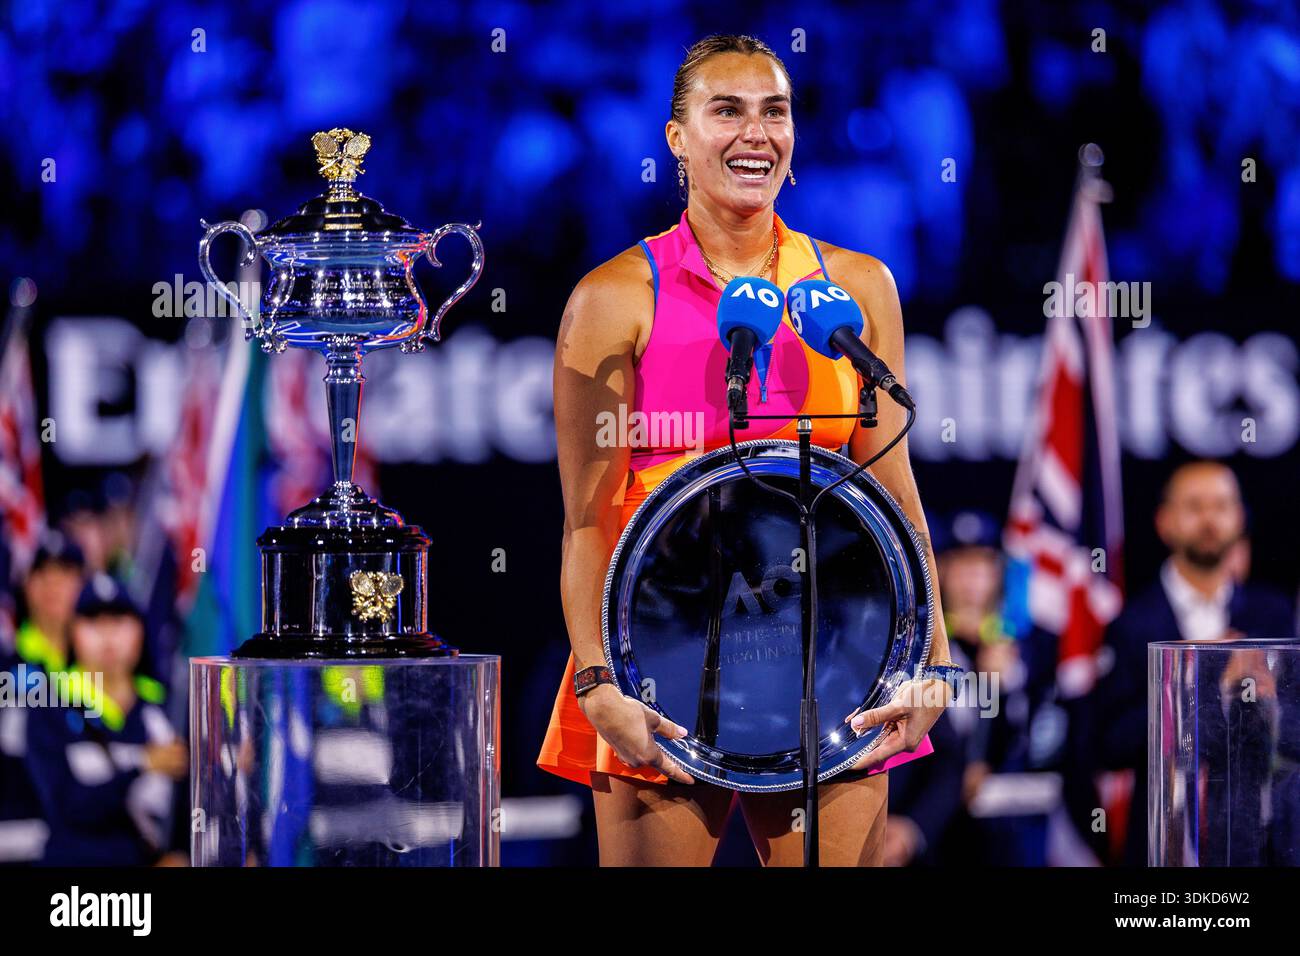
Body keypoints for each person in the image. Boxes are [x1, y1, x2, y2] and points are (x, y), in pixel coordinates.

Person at [537, 34, 955, 866]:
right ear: (677, 139)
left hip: (835, 656)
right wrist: (596, 684)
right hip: (658, 659)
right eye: (725, 110)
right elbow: (586, 524)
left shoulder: (856, 289)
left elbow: (897, 498)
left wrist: (934, 662)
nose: (754, 133)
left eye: (775, 110)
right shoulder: (615, 298)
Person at [1094, 461, 1296, 866]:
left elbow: (1291, 737)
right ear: (1164, 521)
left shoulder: (1271, 615)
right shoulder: (1131, 624)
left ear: (1239, 517)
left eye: (1221, 506)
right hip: (1165, 843)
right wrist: (1199, 679)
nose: (1209, 519)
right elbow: (1107, 744)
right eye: (1194, 506)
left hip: (1259, 845)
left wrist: (1270, 697)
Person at [24, 573, 188, 866]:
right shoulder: (50, 705)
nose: (108, 635)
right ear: (72, 632)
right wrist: (142, 764)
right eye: (93, 621)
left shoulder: (168, 709)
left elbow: (190, 803)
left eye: (119, 619)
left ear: (141, 630)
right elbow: (66, 806)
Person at [0, 532, 84, 866]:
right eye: (41, 574)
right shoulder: (6, 669)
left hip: (92, 846)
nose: (53, 586)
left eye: (64, 574)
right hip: (18, 845)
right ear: (26, 585)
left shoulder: (111, 669)